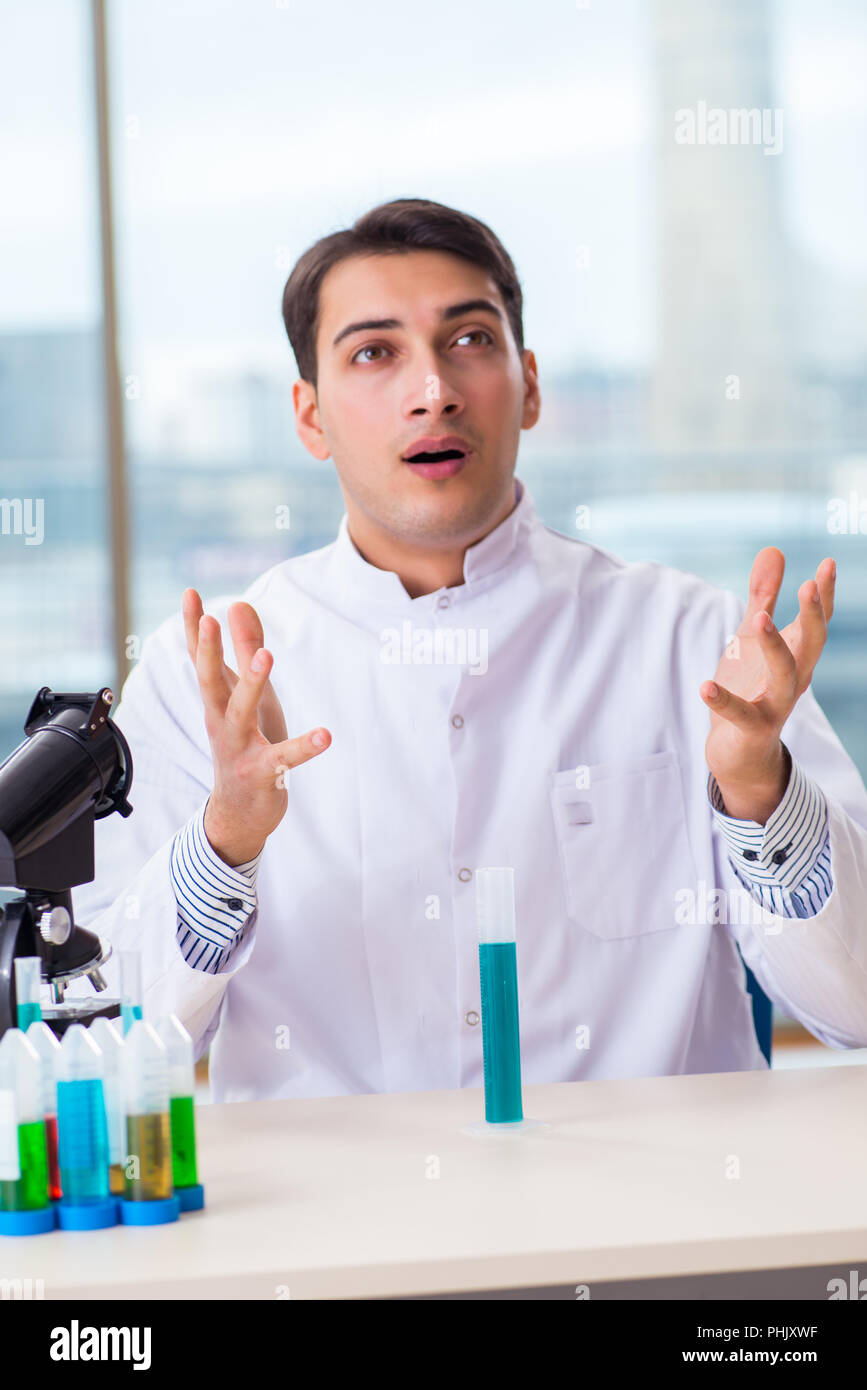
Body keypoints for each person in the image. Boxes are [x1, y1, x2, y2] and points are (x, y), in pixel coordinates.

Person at [69, 198, 867, 1103]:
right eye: (373, 353)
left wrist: (758, 793)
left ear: (528, 383)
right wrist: (225, 844)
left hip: (658, 1223)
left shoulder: (702, 647)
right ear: (309, 416)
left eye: (470, 340)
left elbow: (856, 1004)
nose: (433, 390)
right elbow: (114, 1035)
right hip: (334, 1231)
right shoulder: (206, 671)